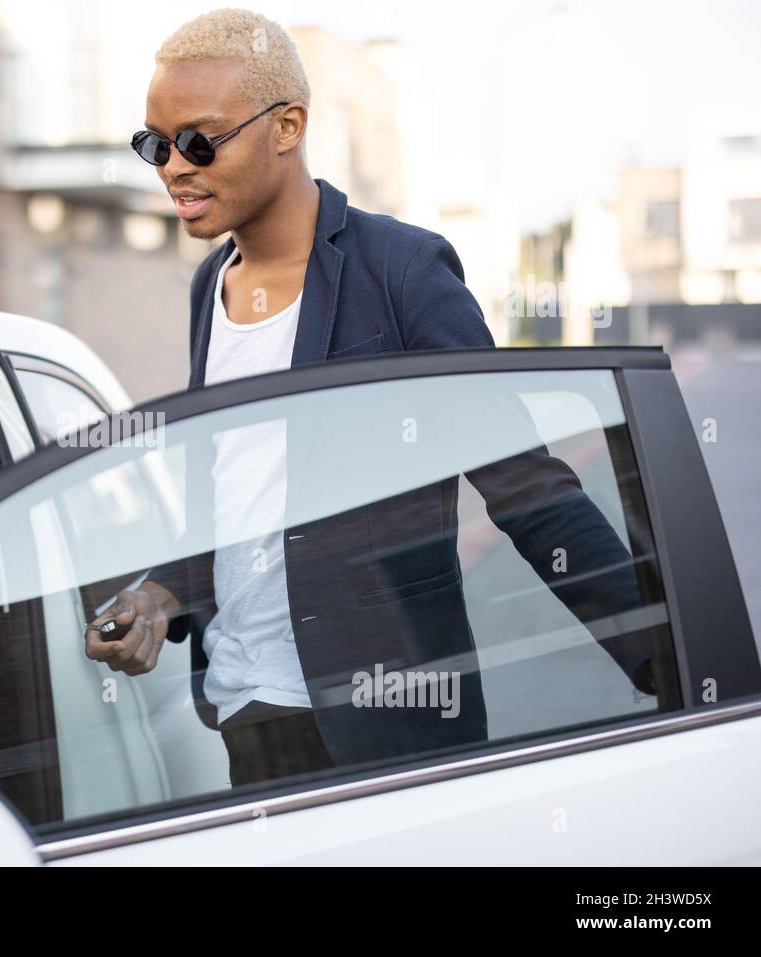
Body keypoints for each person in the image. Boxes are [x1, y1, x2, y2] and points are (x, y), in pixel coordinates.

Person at [82, 8, 658, 788]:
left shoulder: (403, 272)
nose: (174, 166)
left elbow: (525, 486)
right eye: (155, 144)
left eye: (199, 140)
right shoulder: (208, 284)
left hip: (383, 712)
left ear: (287, 126)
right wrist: (164, 589)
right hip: (244, 699)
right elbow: (229, 485)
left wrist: (668, 650)